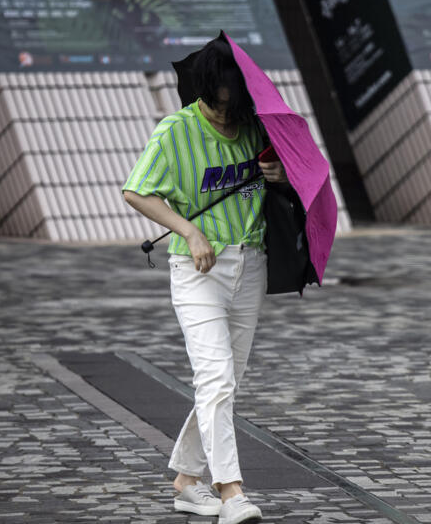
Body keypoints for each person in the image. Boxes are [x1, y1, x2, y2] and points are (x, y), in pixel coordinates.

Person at [122, 38, 287, 523]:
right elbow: (135, 191)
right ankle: (232, 493)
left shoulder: (256, 126)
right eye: (218, 105)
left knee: (224, 385)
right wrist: (189, 231)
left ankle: (185, 483)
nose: (226, 115)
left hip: (250, 263)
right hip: (197, 272)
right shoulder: (175, 130)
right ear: (203, 92)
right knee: (214, 379)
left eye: (233, 103)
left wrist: (277, 174)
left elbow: (283, 181)